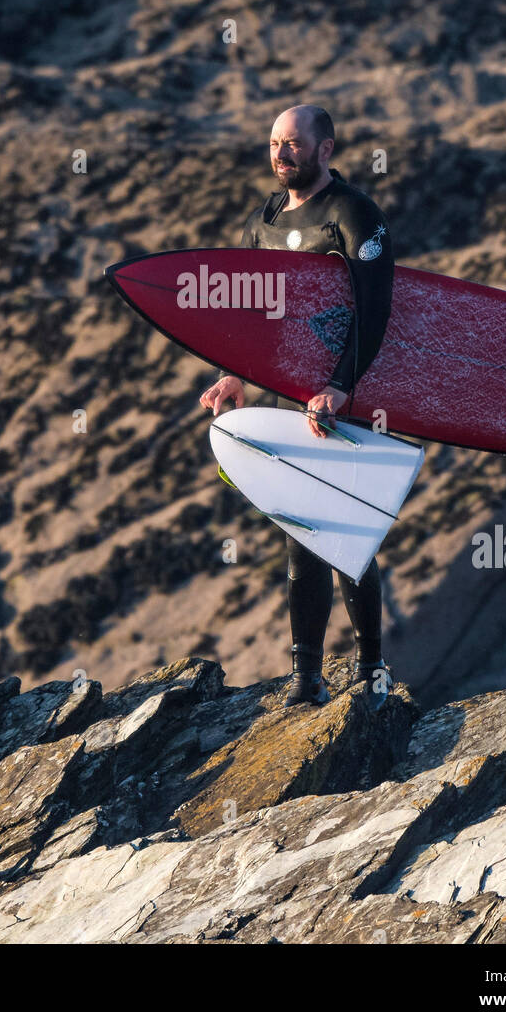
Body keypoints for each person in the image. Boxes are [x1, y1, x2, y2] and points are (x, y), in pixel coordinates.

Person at [199, 104, 395, 707]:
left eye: (294, 145)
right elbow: (254, 315)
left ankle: (369, 671)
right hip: (290, 400)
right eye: (274, 144)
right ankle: (306, 677)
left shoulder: (354, 214)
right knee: (299, 533)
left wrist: (341, 386)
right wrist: (234, 375)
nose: (282, 154)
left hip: (346, 397)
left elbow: (375, 309)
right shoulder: (262, 220)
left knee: (347, 536)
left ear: (326, 149)